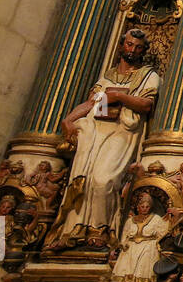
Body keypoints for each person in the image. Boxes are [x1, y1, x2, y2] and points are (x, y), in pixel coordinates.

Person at [46, 29, 160, 251]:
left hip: (123, 133)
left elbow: (146, 105)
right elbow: (91, 103)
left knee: (104, 180)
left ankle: (101, 230)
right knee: (83, 178)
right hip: (95, 131)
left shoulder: (148, 75)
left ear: (143, 51)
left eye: (137, 47)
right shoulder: (107, 77)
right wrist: (68, 120)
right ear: (121, 46)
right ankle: (74, 230)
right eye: (129, 45)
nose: (132, 50)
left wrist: (119, 96)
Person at [101, 188, 183, 282]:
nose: (145, 209)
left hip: (147, 251)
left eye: (147, 206)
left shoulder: (156, 219)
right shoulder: (130, 220)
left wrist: (174, 218)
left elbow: (168, 231)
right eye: (142, 206)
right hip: (129, 252)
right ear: (137, 207)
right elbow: (124, 237)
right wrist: (119, 245)